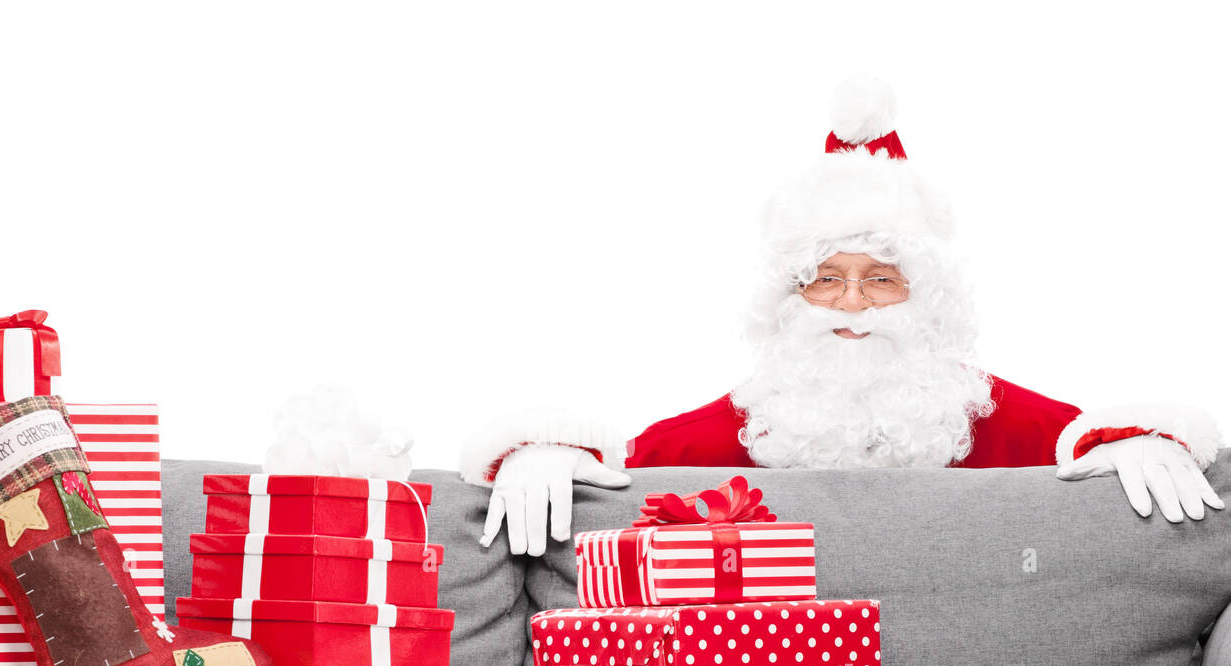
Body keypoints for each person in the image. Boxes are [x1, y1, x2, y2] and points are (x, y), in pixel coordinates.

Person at [461, 77, 1223, 555]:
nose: (852, 304)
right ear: (787, 301)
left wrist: (1148, 438)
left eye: (881, 279)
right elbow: (621, 470)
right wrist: (540, 452)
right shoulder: (720, 437)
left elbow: (1090, 433)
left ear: (926, 299)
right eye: (826, 280)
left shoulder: (1006, 425)